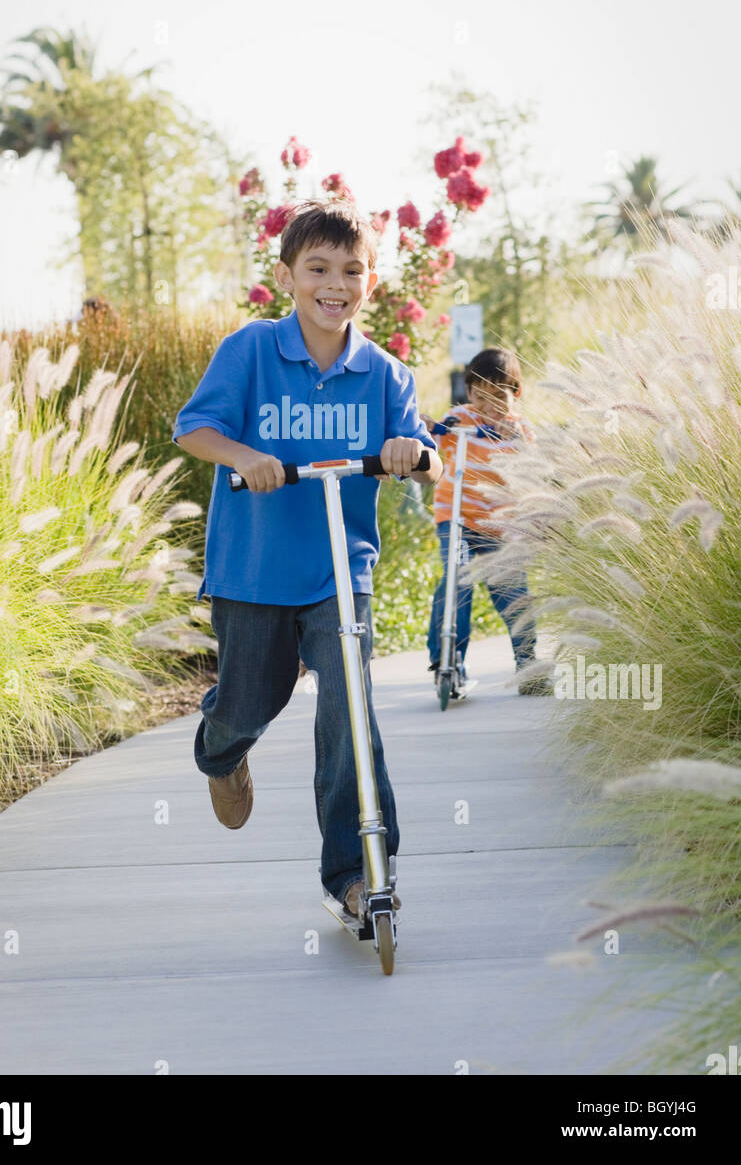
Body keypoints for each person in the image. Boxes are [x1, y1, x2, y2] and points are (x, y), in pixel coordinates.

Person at [174, 199, 442, 916]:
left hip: (339, 572)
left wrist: (410, 455)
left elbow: (425, 459)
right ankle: (221, 751)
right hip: (255, 570)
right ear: (288, 275)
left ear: (371, 283)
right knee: (248, 702)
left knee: (351, 708)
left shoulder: (384, 374)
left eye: (351, 271)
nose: (335, 284)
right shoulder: (251, 351)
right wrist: (245, 455)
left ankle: (359, 873)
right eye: (318, 268)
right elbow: (194, 428)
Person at [422, 347, 553, 697]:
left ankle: (528, 665)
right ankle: (447, 660)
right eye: (480, 396)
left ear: (516, 394)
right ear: (469, 394)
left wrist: (512, 437)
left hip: (501, 526)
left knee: (515, 594)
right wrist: (422, 429)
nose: (489, 406)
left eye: (499, 396)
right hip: (457, 518)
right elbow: (430, 441)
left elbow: (533, 468)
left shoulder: (520, 430)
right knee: (456, 581)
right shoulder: (459, 419)